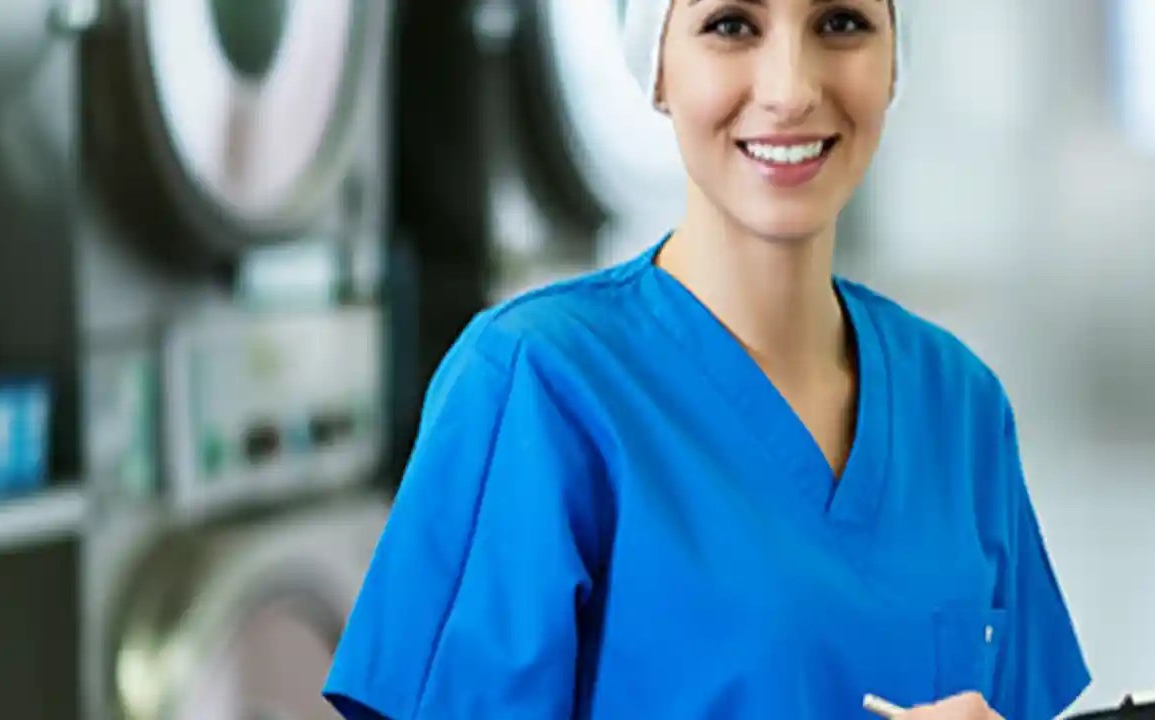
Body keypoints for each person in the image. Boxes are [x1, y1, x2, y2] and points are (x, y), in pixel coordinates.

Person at [323, 0, 1091, 717]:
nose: (790, 91)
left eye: (841, 22)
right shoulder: (536, 381)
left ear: (894, 62)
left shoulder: (958, 401)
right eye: (730, 25)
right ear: (657, 67)